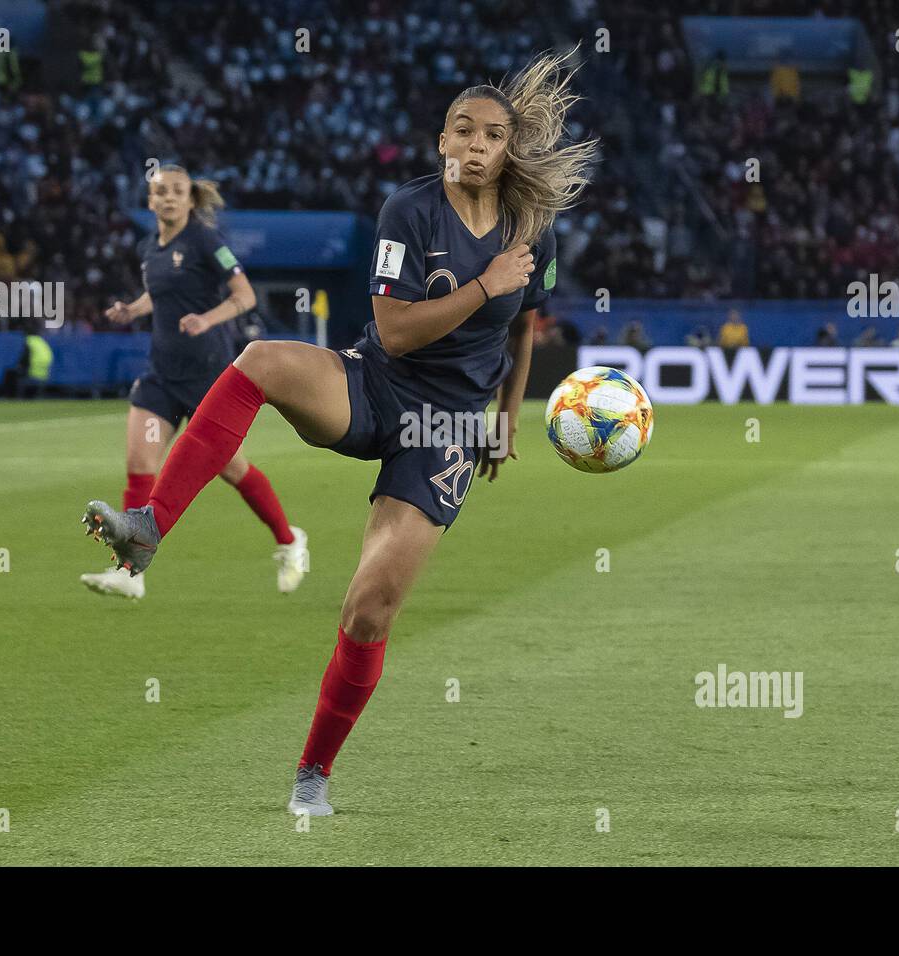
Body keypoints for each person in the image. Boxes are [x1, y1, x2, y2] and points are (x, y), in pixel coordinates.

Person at [80, 50, 596, 814]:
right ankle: (150, 527)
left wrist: (506, 416)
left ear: (509, 148)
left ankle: (312, 775)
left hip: (445, 430)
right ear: (443, 143)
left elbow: (524, 324)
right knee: (258, 360)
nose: (479, 144)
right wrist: (486, 284)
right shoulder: (408, 212)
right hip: (377, 380)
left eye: (493, 134)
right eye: (465, 130)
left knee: (369, 606)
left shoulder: (534, 231)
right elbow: (394, 330)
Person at [80, 164, 307, 601]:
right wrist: (133, 309)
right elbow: (160, 294)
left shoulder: (206, 240)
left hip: (208, 376)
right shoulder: (150, 247)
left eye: (176, 191)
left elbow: (245, 297)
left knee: (233, 469)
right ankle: (132, 572)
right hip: (161, 375)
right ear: (150, 201)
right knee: (140, 461)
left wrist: (207, 318)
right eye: (160, 191)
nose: (167, 198)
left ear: (189, 200)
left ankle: (289, 539)